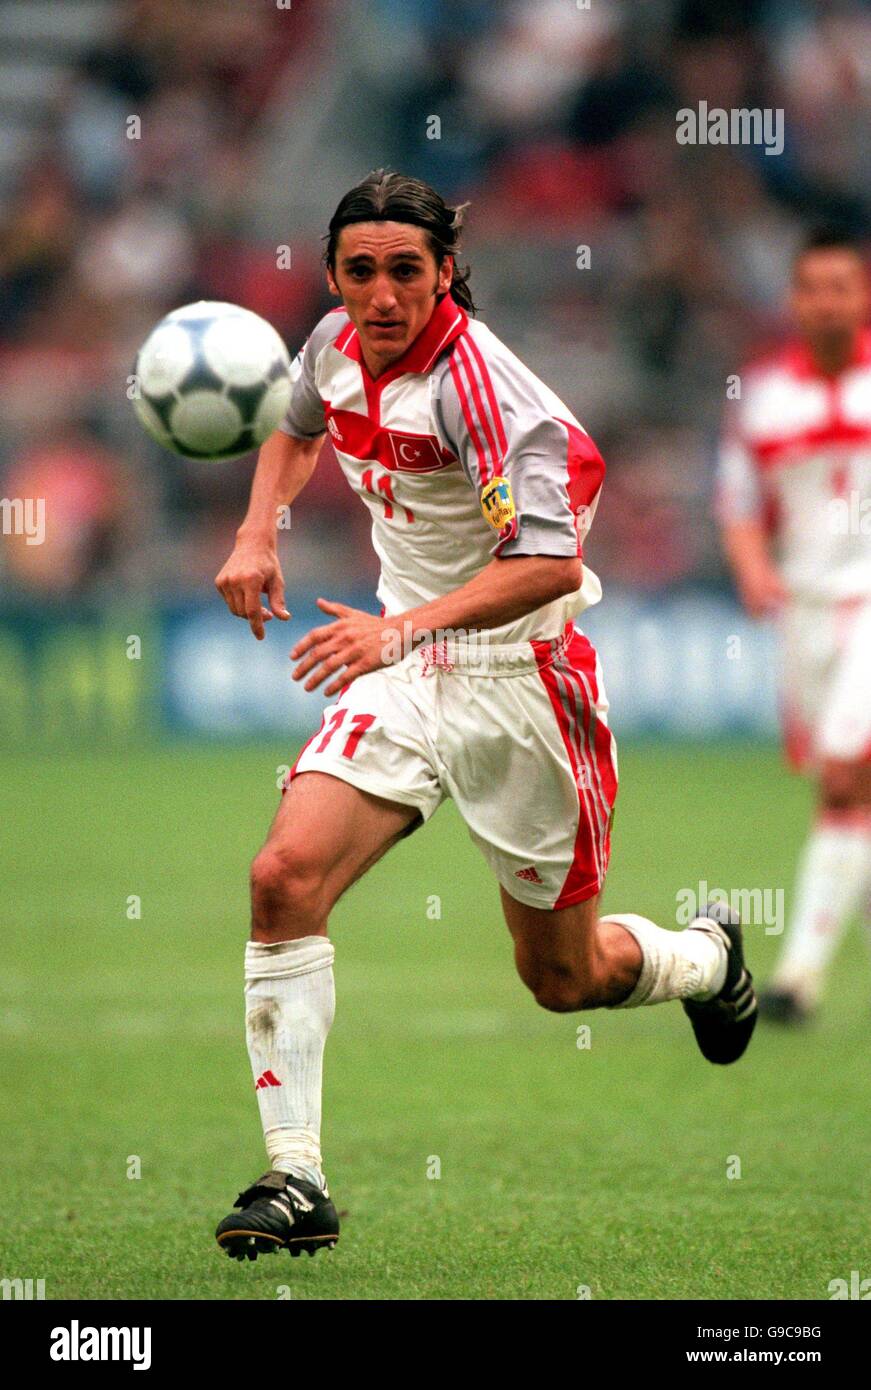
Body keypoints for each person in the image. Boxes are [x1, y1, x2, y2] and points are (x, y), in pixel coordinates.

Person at [213, 170, 757, 1261]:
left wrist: (402, 631)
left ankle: (705, 959)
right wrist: (257, 531)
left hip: (522, 685)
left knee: (563, 979)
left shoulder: (493, 400)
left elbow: (549, 565)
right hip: (405, 666)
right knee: (282, 878)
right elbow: (296, 420)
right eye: (359, 271)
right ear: (333, 276)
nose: (380, 294)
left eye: (405, 271)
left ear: (447, 274)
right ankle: (297, 1175)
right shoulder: (329, 342)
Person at [719, 228, 871, 1025]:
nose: (827, 301)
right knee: (845, 789)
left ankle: (795, 981)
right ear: (794, 299)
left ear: (863, 295)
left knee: (846, 775)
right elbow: (739, 503)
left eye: (841, 286)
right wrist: (752, 569)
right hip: (804, 611)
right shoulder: (763, 393)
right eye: (812, 287)